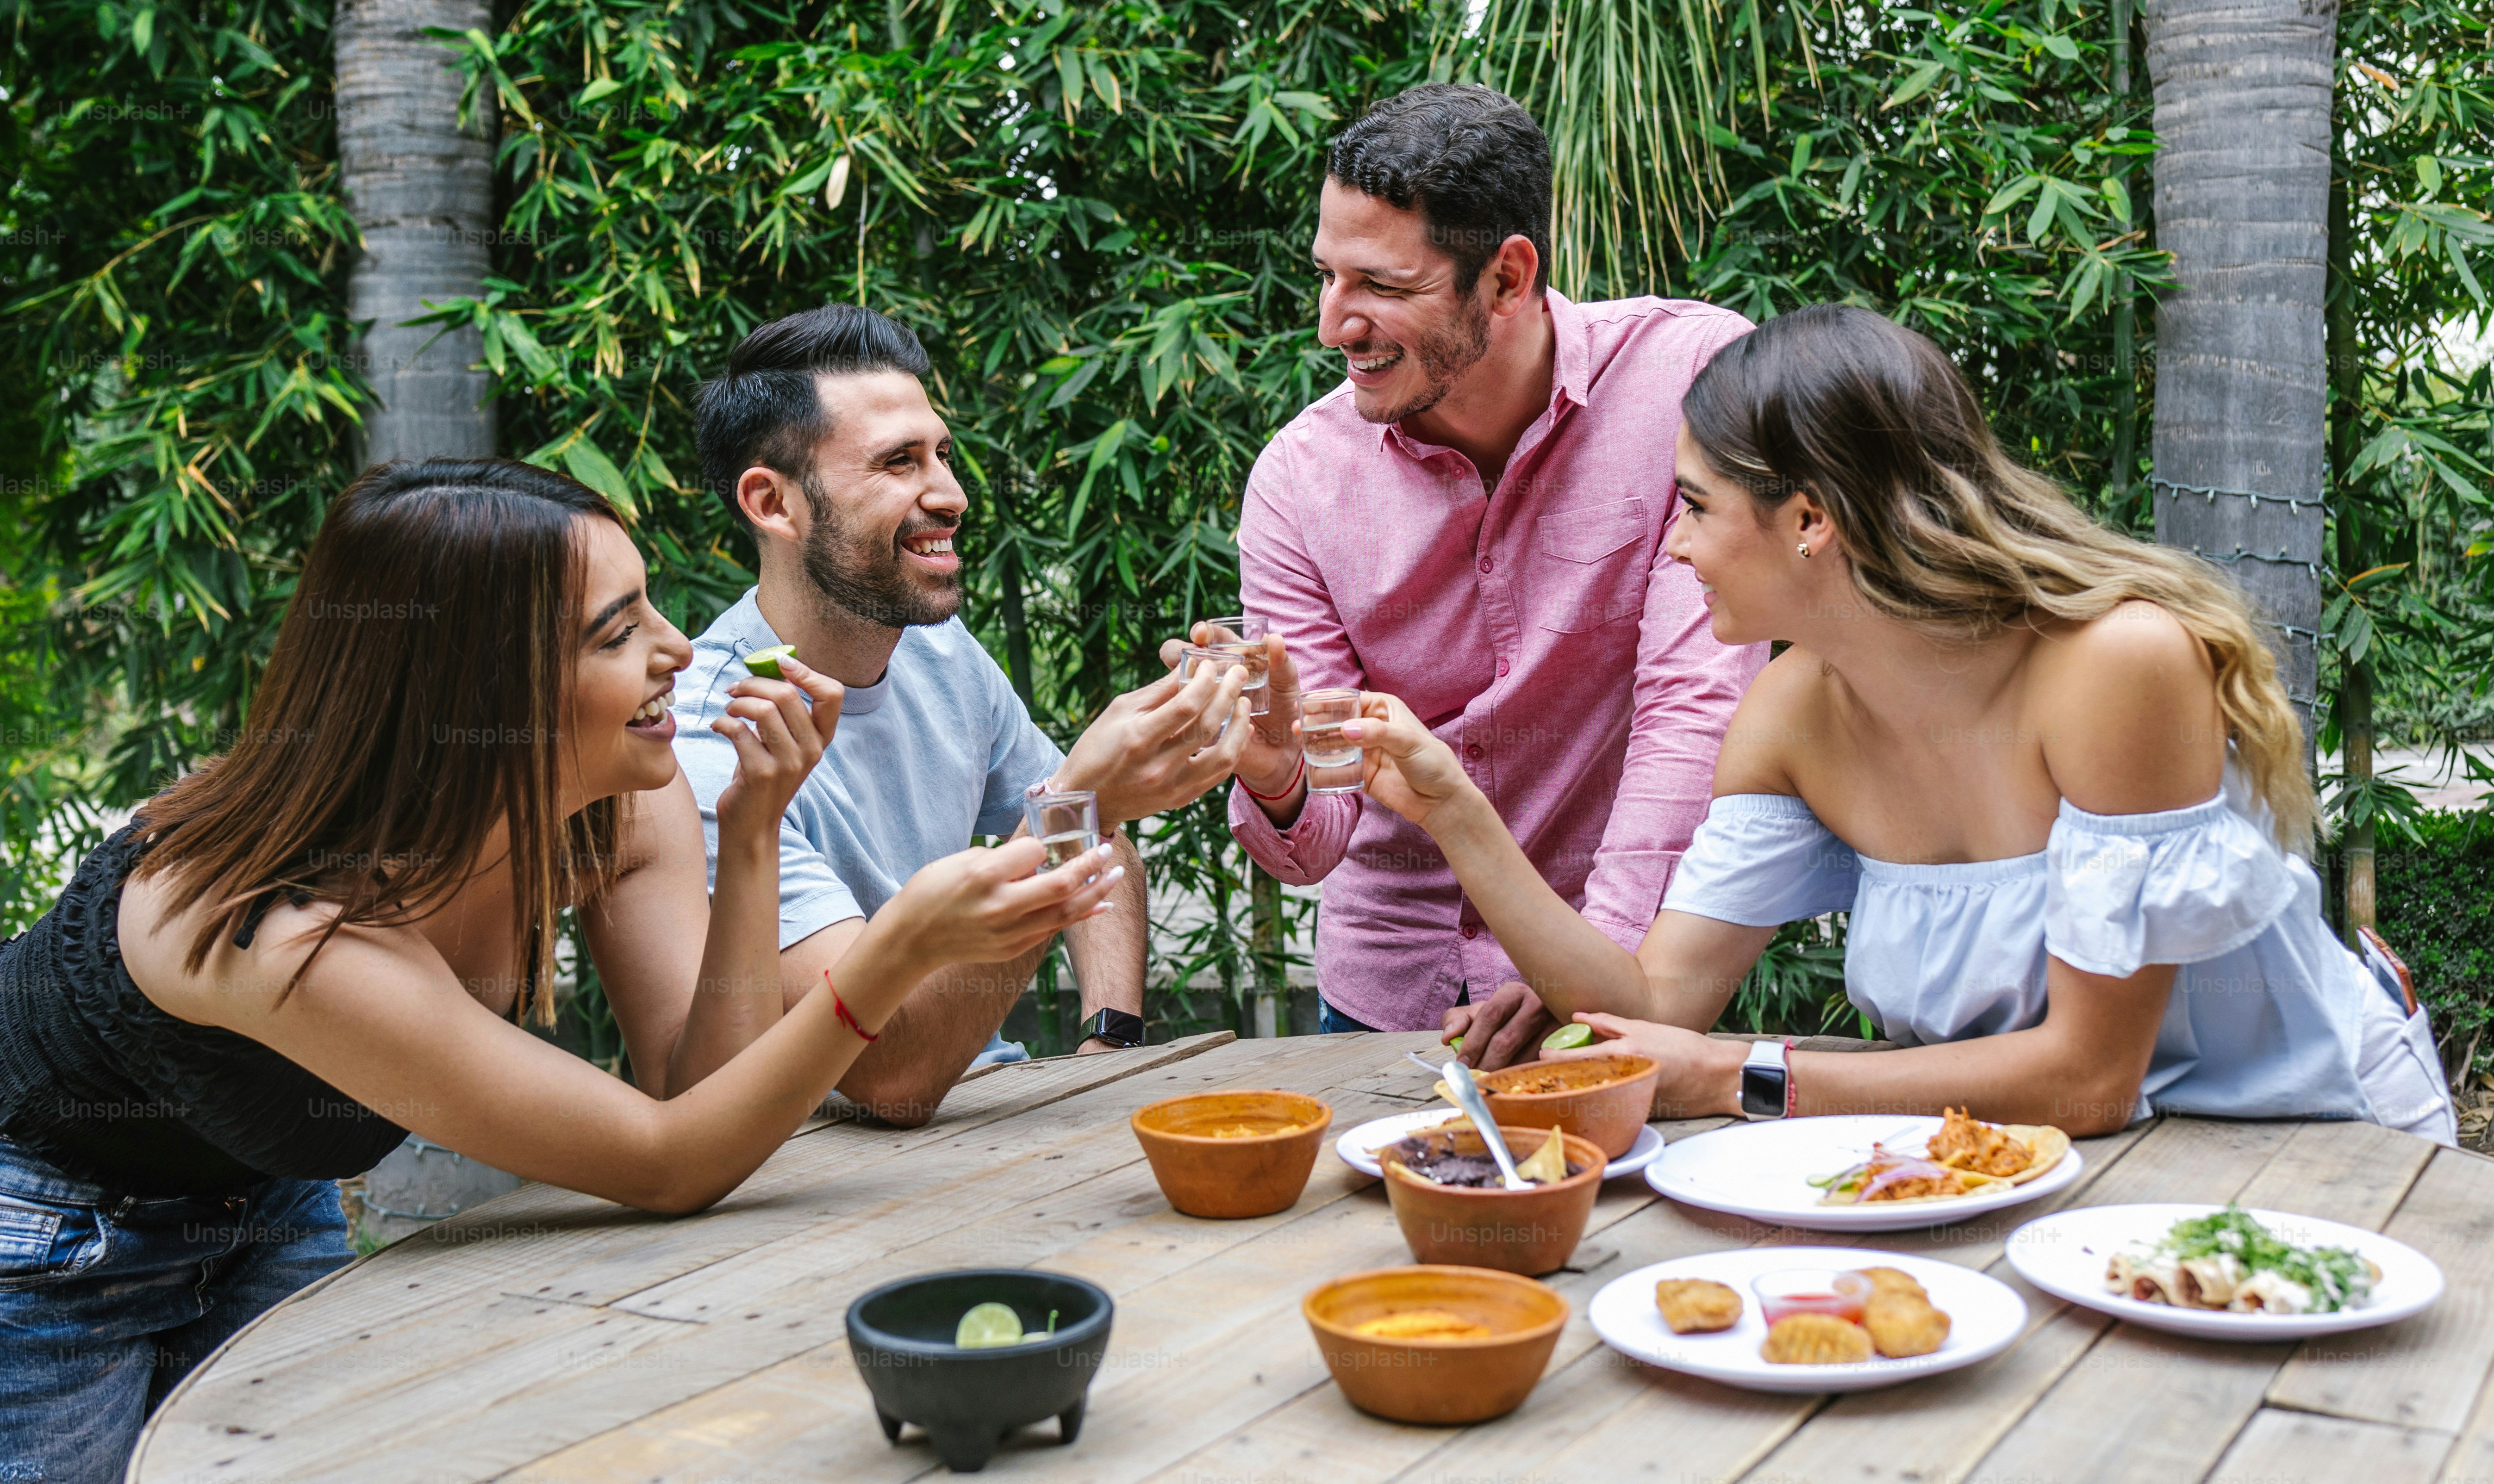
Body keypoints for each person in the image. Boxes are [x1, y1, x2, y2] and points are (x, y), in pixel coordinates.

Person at [0, 460, 1128, 1480]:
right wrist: (896, 952)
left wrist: (750, 836)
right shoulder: (286, 931)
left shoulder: (618, 804)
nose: (680, 652)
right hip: (46, 1228)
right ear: (473, 690)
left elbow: (701, 1104)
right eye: (614, 632)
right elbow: (667, 1162)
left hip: (263, 1187)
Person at [1348, 304, 2457, 1142]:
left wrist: (1742, 1073)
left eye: (1694, 506)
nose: (1674, 547)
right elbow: (1654, 1005)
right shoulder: (1789, 713)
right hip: (2054, 1164)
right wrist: (1453, 805)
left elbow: (2089, 1078)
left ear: (1812, 520)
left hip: (2309, 1140)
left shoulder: (2115, 665)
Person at [1209, 83, 1764, 1040]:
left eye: (1382, 286)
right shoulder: (1299, 482)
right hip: (1386, 997)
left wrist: (1597, 967)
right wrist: (1274, 773)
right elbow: (1311, 842)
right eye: (1328, 276)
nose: (1333, 324)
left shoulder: (1691, 383)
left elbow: (1693, 712)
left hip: (1622, 976)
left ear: (1508, 278)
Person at [675, 304, 1250, 1125]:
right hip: (813, 1163)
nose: (952, 495)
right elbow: (889, 1079)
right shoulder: (711, 732)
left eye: (942, 454)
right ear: (774, 503)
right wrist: (1085, 798)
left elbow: (1093, 834)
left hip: (983, 1105)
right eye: (899, 463)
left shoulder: (942, 654)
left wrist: (1111, 1036)